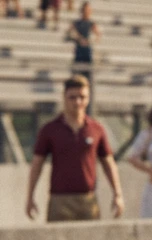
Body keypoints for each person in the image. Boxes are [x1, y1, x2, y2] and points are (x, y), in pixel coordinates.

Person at [25, 75, 124, 222]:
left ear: (88, 98)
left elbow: (108, 163)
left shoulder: (96, 129)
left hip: (88, 200)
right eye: (72, 97)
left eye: (82, 97)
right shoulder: (50, 129)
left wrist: (117, 194)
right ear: (64, 97)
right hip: (60, 200)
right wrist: (30, 196)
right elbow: (37, 164)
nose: (78, 102)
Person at [68, 1, 101, 71]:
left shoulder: (91, 23)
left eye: (88, 10)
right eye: (85, 10)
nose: (87, 12)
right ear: (82, 11)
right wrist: (79, 38)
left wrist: (90, 41)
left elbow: (97, 35)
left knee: (88, 71)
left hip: (88, 49)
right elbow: (70, 32)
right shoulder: (77, 22)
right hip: (79, 49)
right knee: (77, 71)